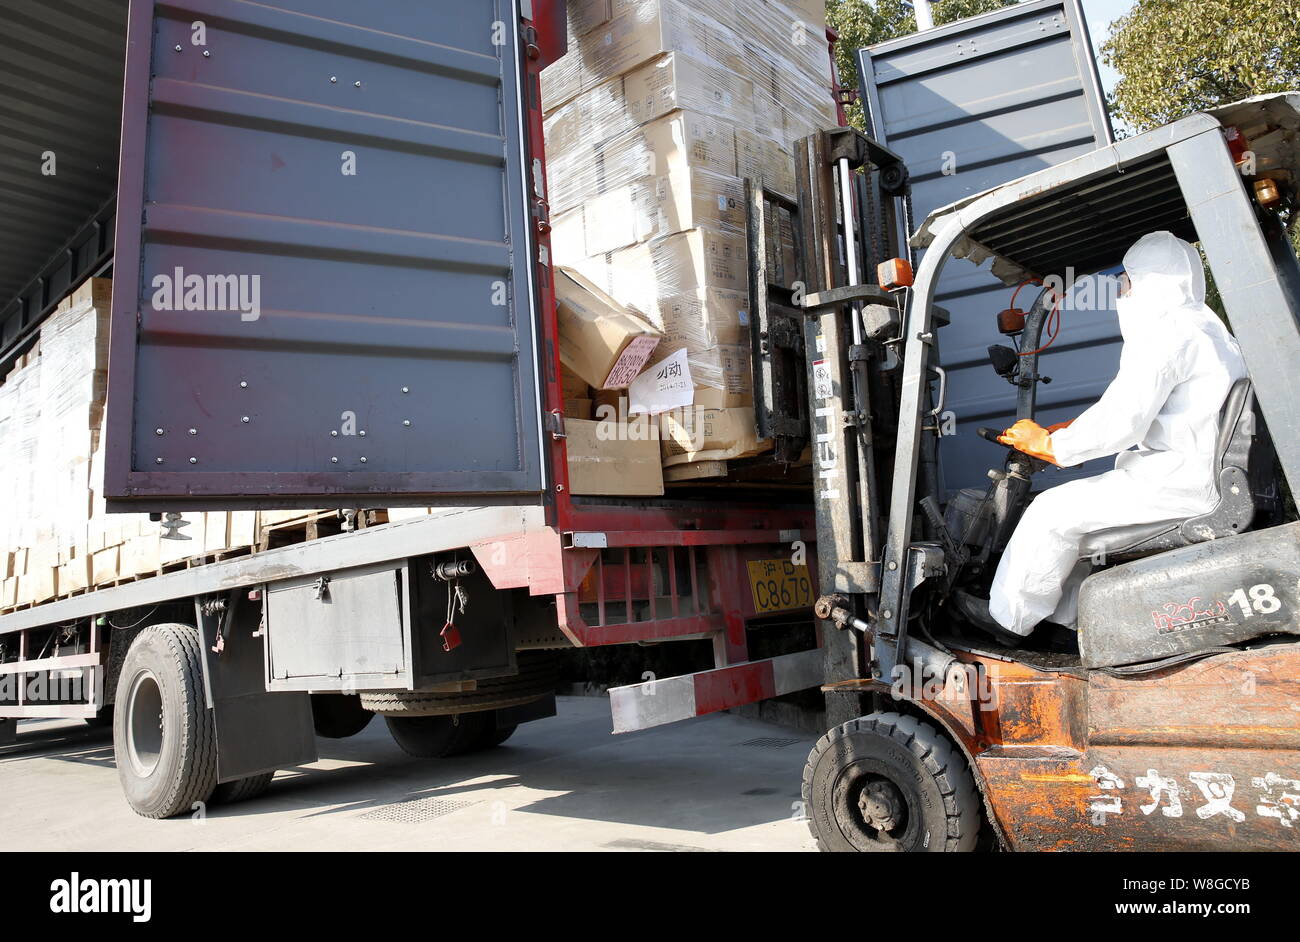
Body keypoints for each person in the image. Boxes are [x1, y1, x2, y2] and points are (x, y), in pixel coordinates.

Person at [955, 231, 1246, 644]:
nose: (1121, 292)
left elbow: (1122, 420)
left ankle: (1007, 622)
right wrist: (1065, 433)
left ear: (1148, 281)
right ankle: (1065, 624)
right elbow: (1155, 411)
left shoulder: (1167, 332)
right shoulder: (1206, 329)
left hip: (1179, 483)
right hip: (1191, 472)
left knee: (1050, 513)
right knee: (1076, 532)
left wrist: (1053, 446)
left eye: (1125, 282)